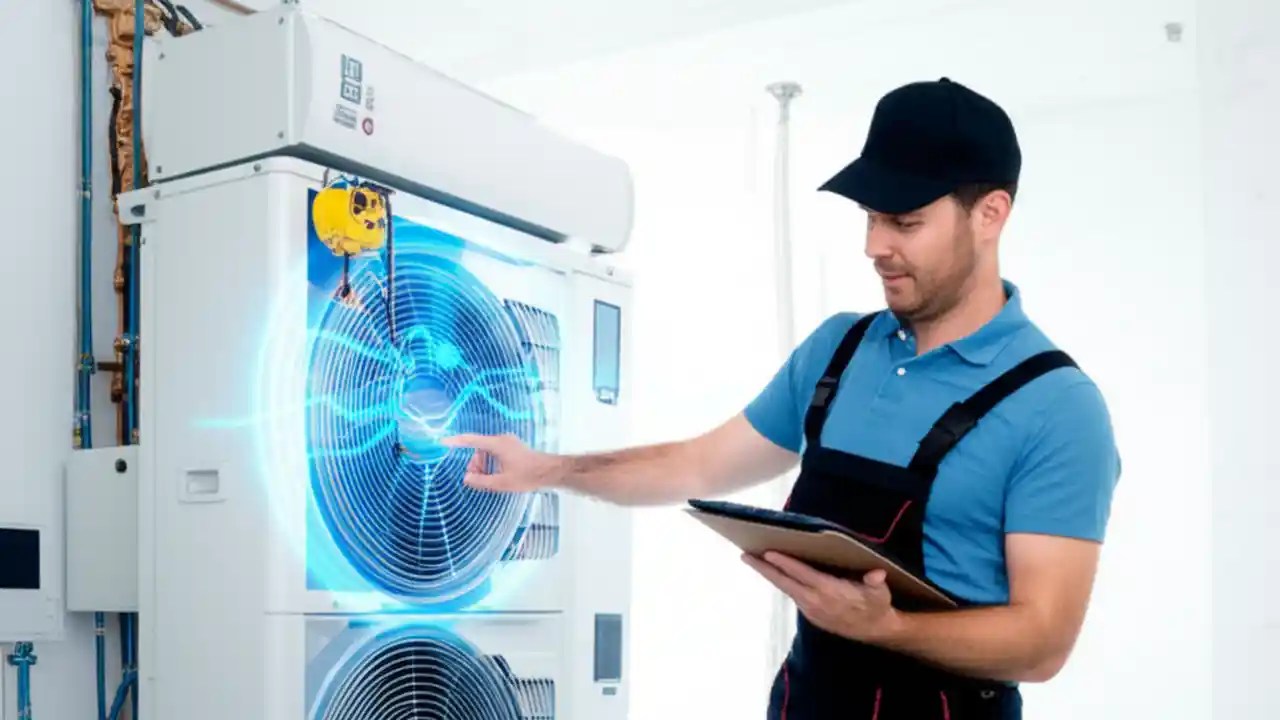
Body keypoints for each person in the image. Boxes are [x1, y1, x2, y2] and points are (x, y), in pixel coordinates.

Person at [442, 77, 1120, 720]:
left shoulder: (1057, 407)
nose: (874, 246)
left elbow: (1042, 643)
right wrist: (547, 469)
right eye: (870, 218)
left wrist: (886, 627)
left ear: (990, 214)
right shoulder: (838, 351)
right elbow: (695, 466)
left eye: (904, 222)